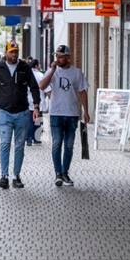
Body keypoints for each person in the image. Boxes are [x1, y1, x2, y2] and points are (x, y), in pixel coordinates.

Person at [0, 43, 40, 189]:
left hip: (22, 113)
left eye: (16, 52)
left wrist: (36, 106)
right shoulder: (0, 68)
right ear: (6, 52)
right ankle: (4, 176)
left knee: (19, 146)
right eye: (11, 52)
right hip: (4, 113)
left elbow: (34, 87)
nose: (14, 55)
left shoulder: (24, 67)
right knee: (4, 144)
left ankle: (16, 176)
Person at [38, 44, 89, 187]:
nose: (58, 58)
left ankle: (65, 172)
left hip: (72, 113)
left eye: (61, 56)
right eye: (57, 56)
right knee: (56, 143)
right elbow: (41, 86)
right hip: (56, 113)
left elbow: (83, 92)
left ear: (68, 57)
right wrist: (52, 69)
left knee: (69, 146)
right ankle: (58, 174)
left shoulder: (77, 73)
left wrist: (86, 111)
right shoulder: (52, 71)